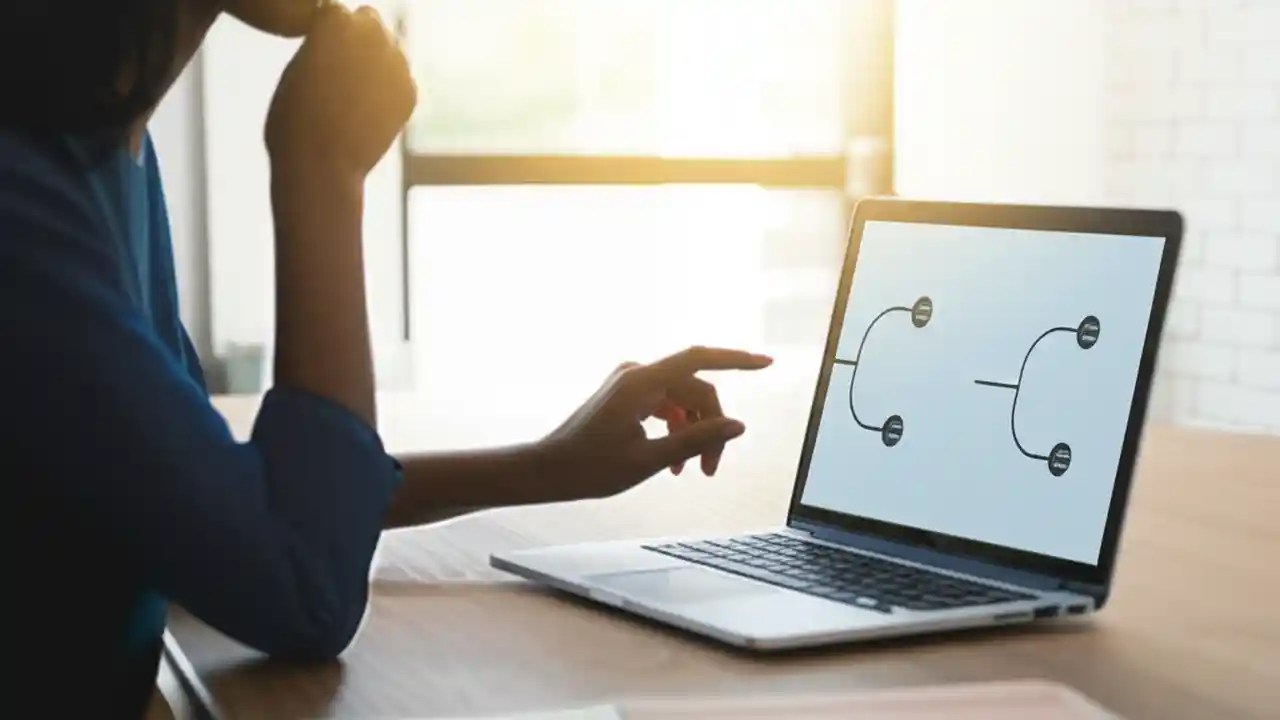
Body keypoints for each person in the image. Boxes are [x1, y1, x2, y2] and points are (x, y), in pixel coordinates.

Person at [0, 1, 771, 715]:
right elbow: (305, 591)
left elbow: (222, 512)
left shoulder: (106, 148)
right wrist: (322, 170)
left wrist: (546, 466)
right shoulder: (26, 202)